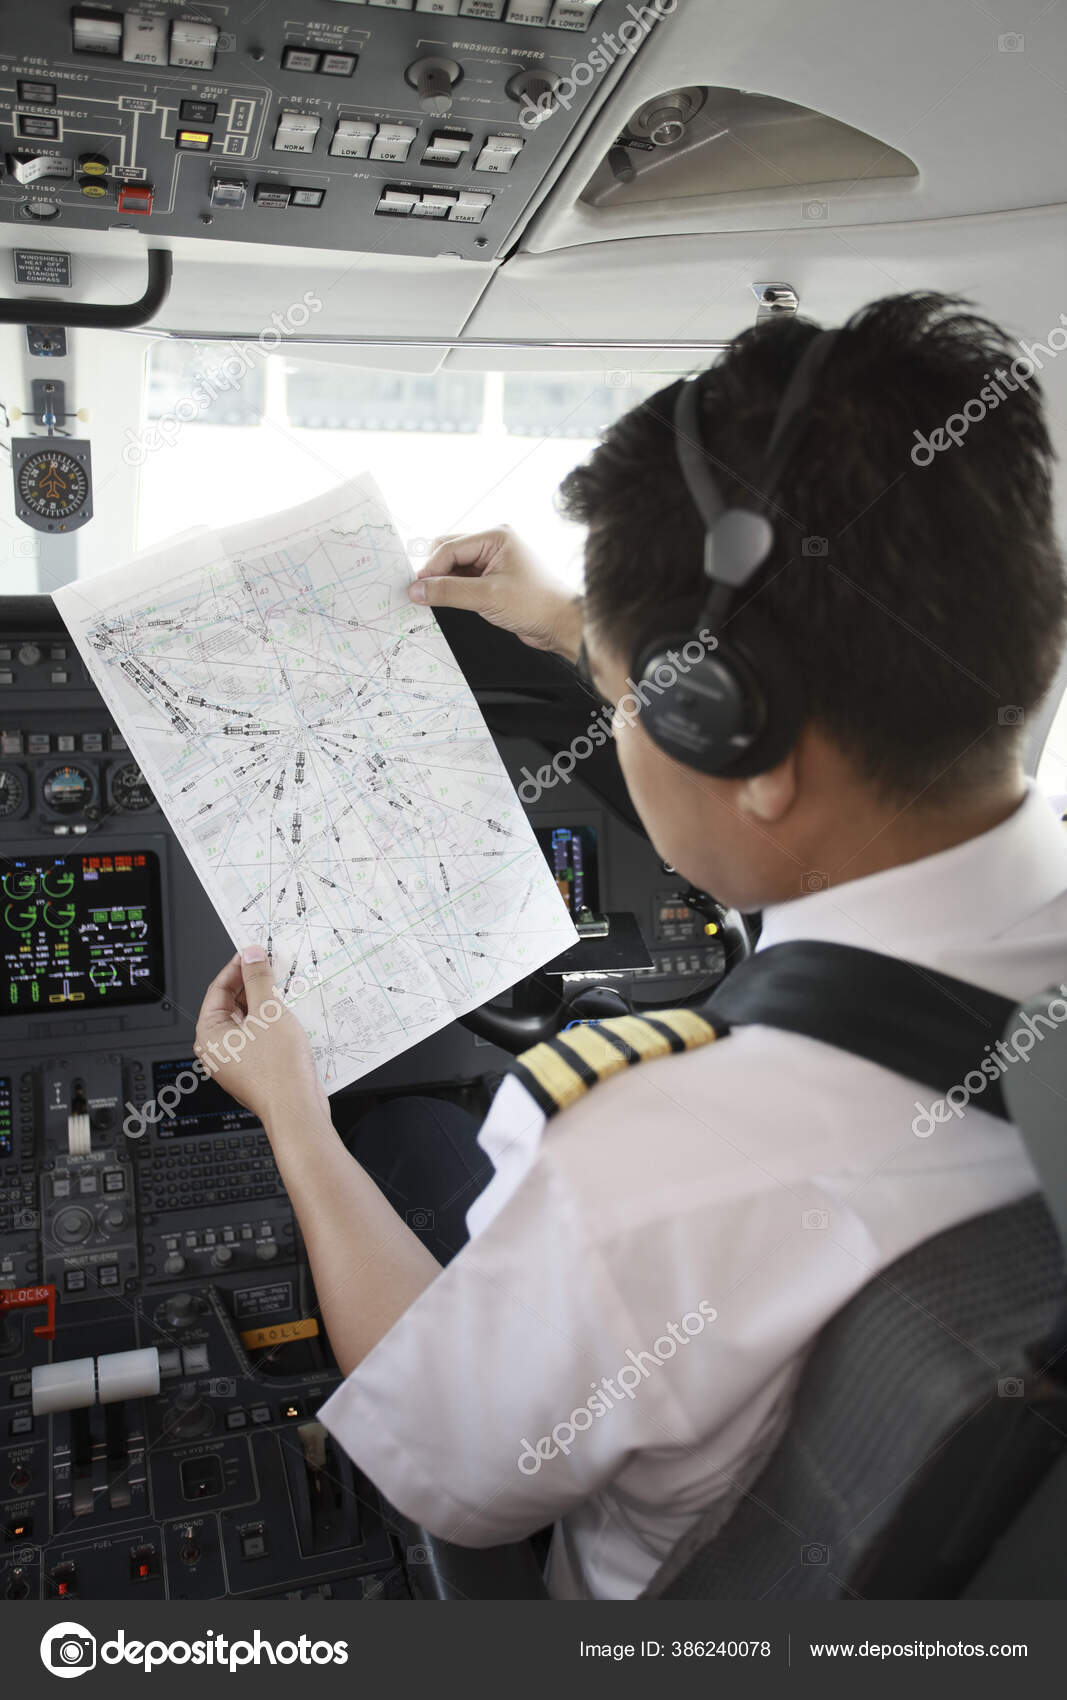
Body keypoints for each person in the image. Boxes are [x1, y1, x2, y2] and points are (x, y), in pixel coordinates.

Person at [194, 293, 1067, 1600]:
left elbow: (448, 1468)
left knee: (403, 1140)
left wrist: (296, 1120)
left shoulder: (640, 1166)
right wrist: (580, 626)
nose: (612, 711)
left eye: (620, 698)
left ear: (742, 748)